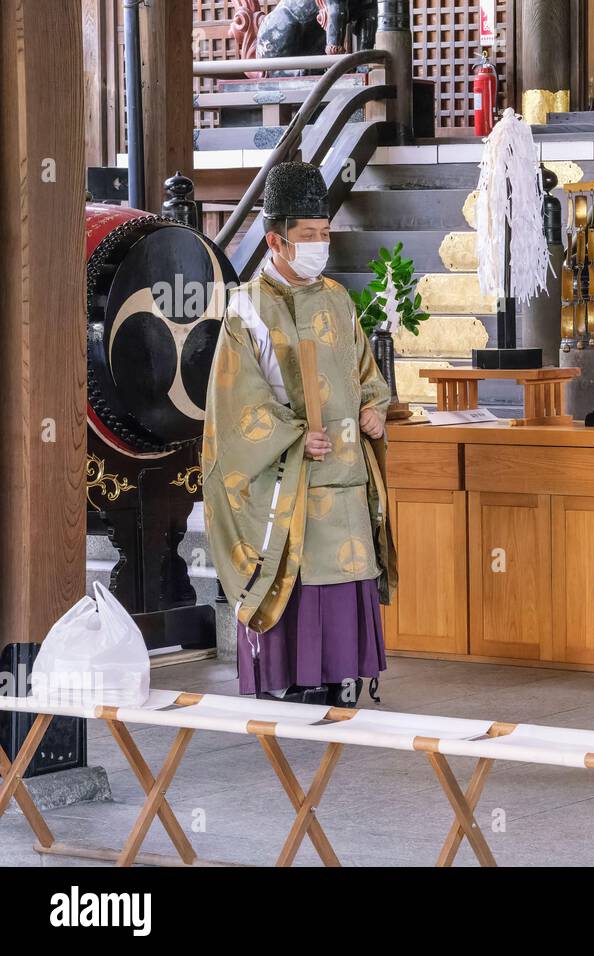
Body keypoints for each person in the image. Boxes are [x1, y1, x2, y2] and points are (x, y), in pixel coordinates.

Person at [202, 160, 395, 707]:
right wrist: (291, 436)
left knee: (344, 575)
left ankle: (343, 675)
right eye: (307, 237)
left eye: (325, 235)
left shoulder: (337, 298)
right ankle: (291, 678)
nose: (319, 246)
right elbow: (233, 404)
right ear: (275, 241)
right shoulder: (247, 310)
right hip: (289, 479)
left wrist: (374, 410)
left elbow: (366, 377)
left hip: (345, 473)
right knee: (299, 577)